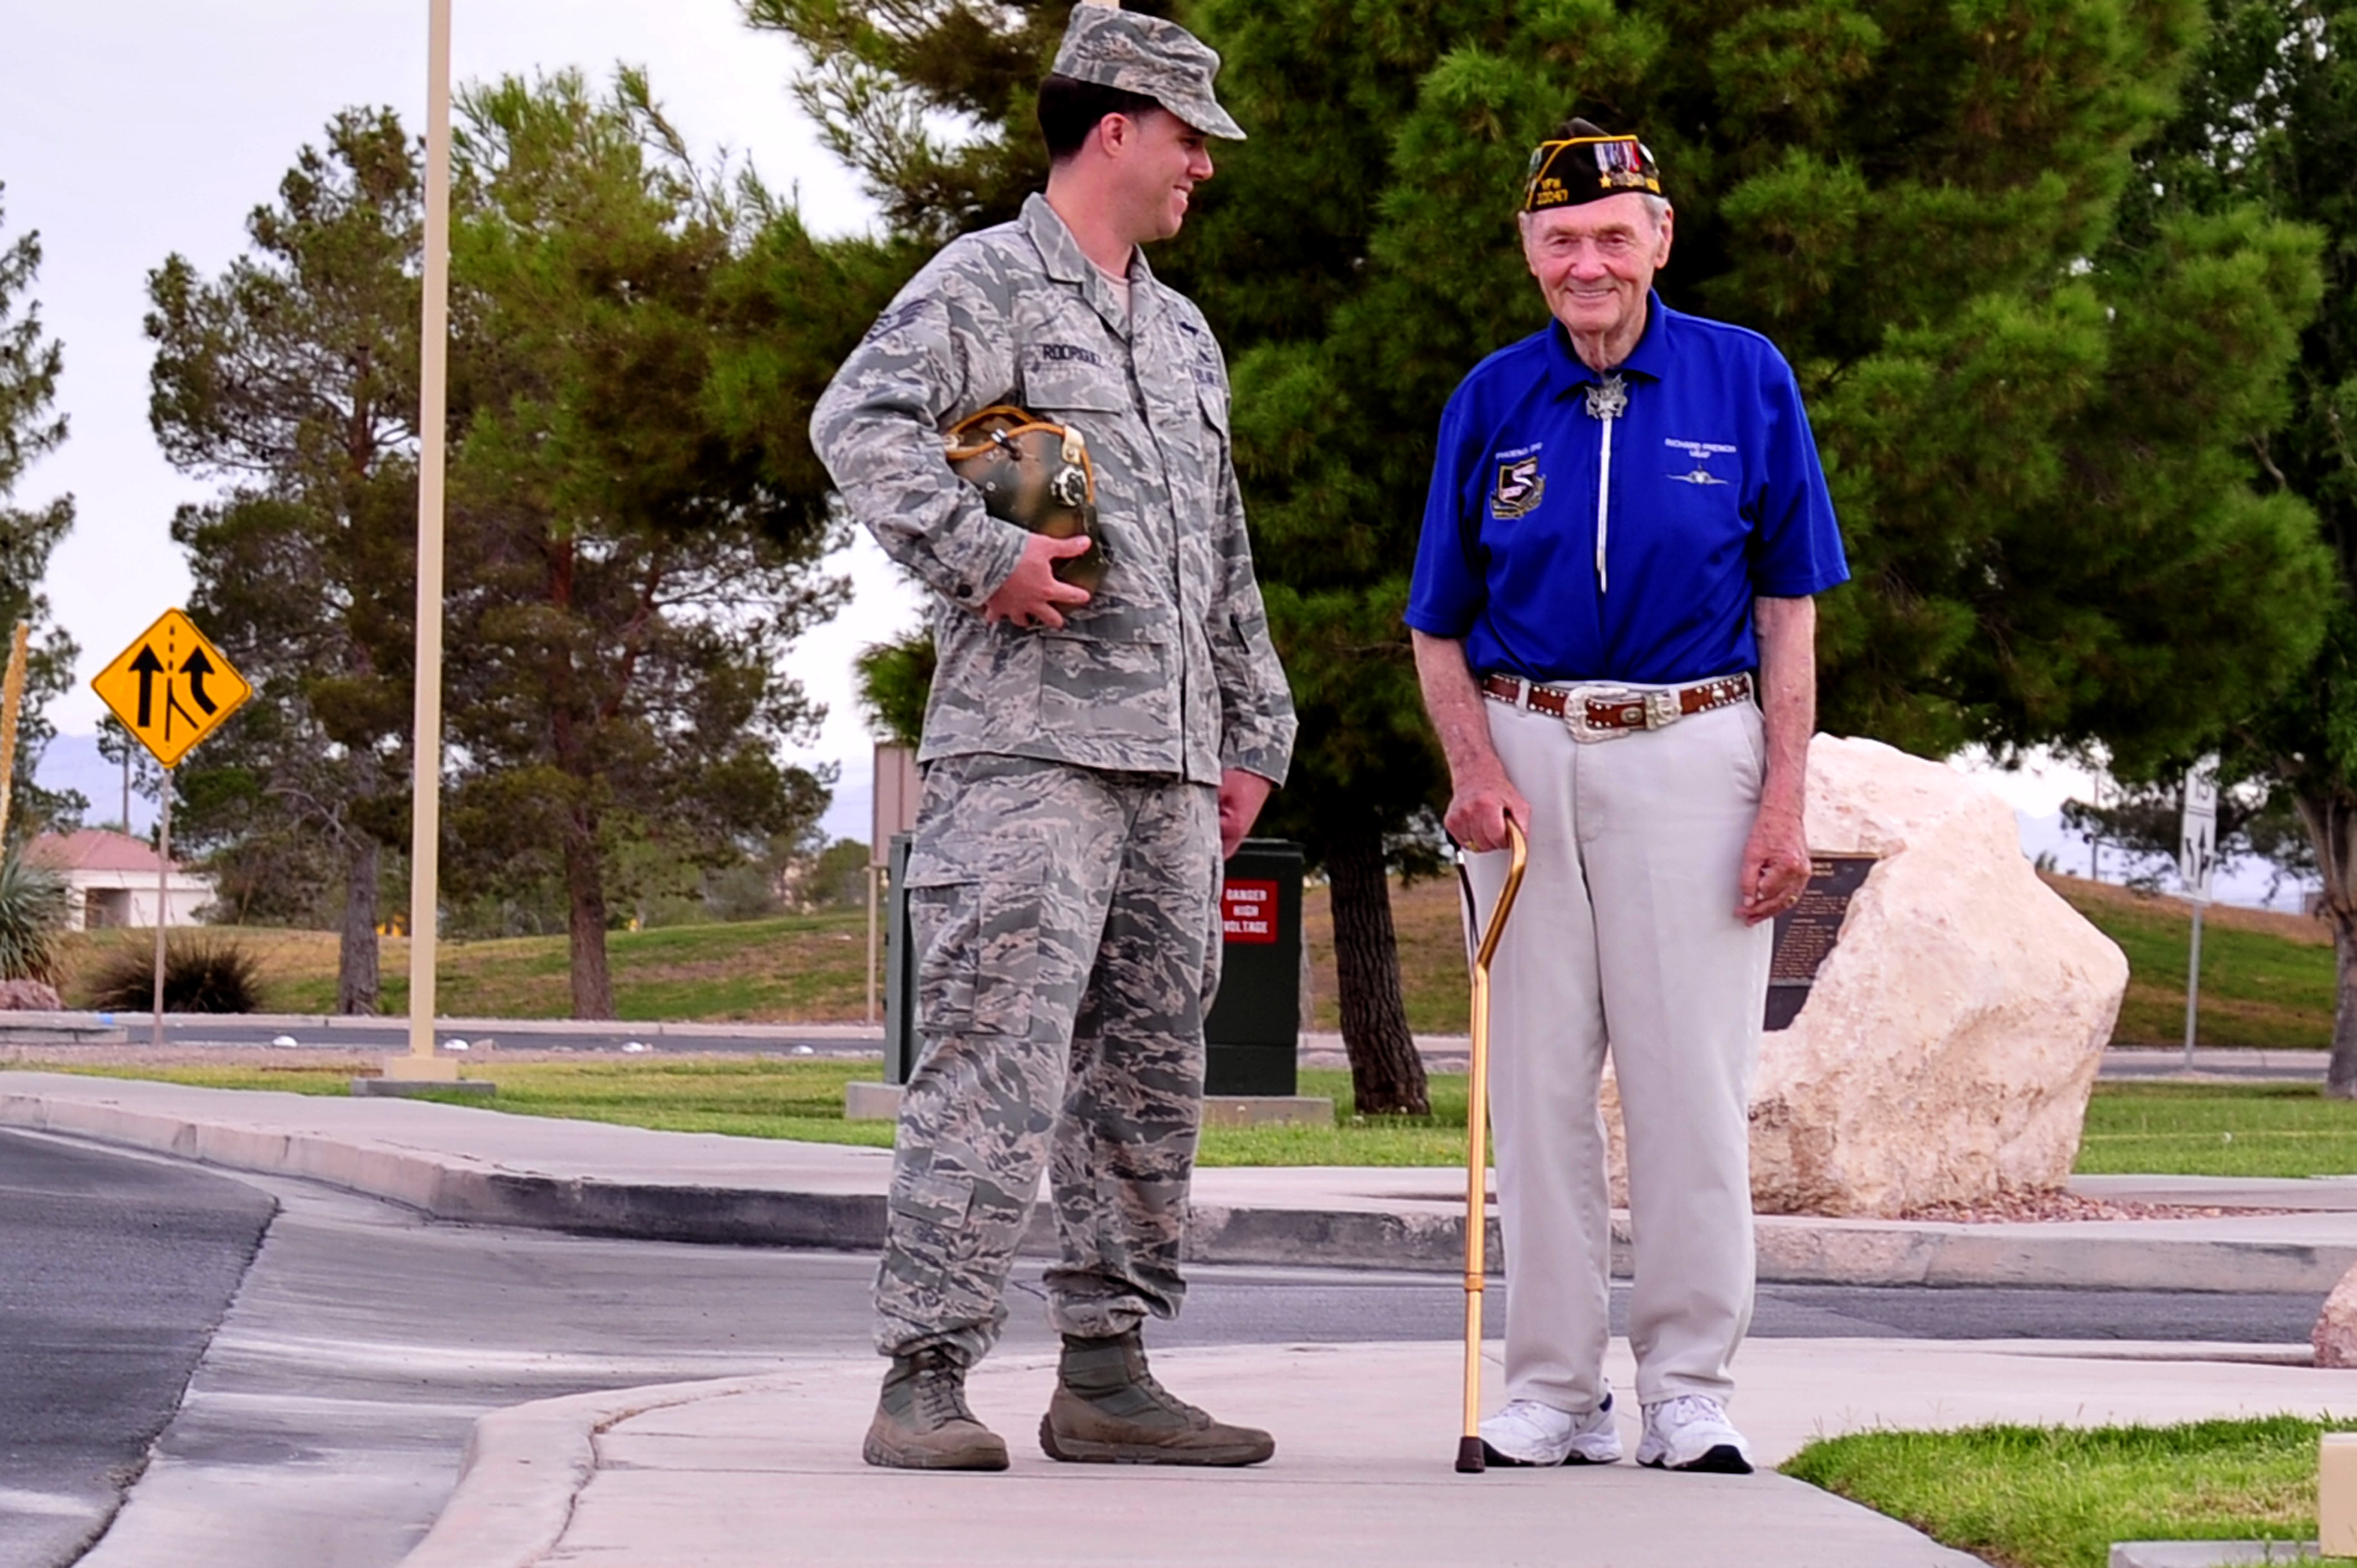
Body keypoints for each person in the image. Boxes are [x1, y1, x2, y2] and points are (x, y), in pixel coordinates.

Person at [810, 0, 1296, 1474]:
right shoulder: (989, 286)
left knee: (1147, 1078)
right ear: (1113, 132)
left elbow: (1220, 547)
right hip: (1024, 762)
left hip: (1167, 765)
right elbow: (861, 423)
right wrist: (982, 556)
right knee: (991, 1064)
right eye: (1186, 141)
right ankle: (926, 1377)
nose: (1200, 169)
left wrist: (1254, 720)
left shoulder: (1184, 331)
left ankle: (1109, 1371)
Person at [1407, 120, 1848, 1474]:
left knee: (1688, 1092)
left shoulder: (1743, 378)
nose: (1586, 262)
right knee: (1534, 1095)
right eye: (1560, 241)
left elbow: (1788, 614)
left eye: (1613, 236)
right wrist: (1472, 771)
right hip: (1527, 759)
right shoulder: (1492, 398)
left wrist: (1784, 804)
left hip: (1693, 750)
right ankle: (1549, 1391)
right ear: (1530, 255)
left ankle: (1687, 1387)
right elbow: (1437, 624)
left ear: (1659, 239)